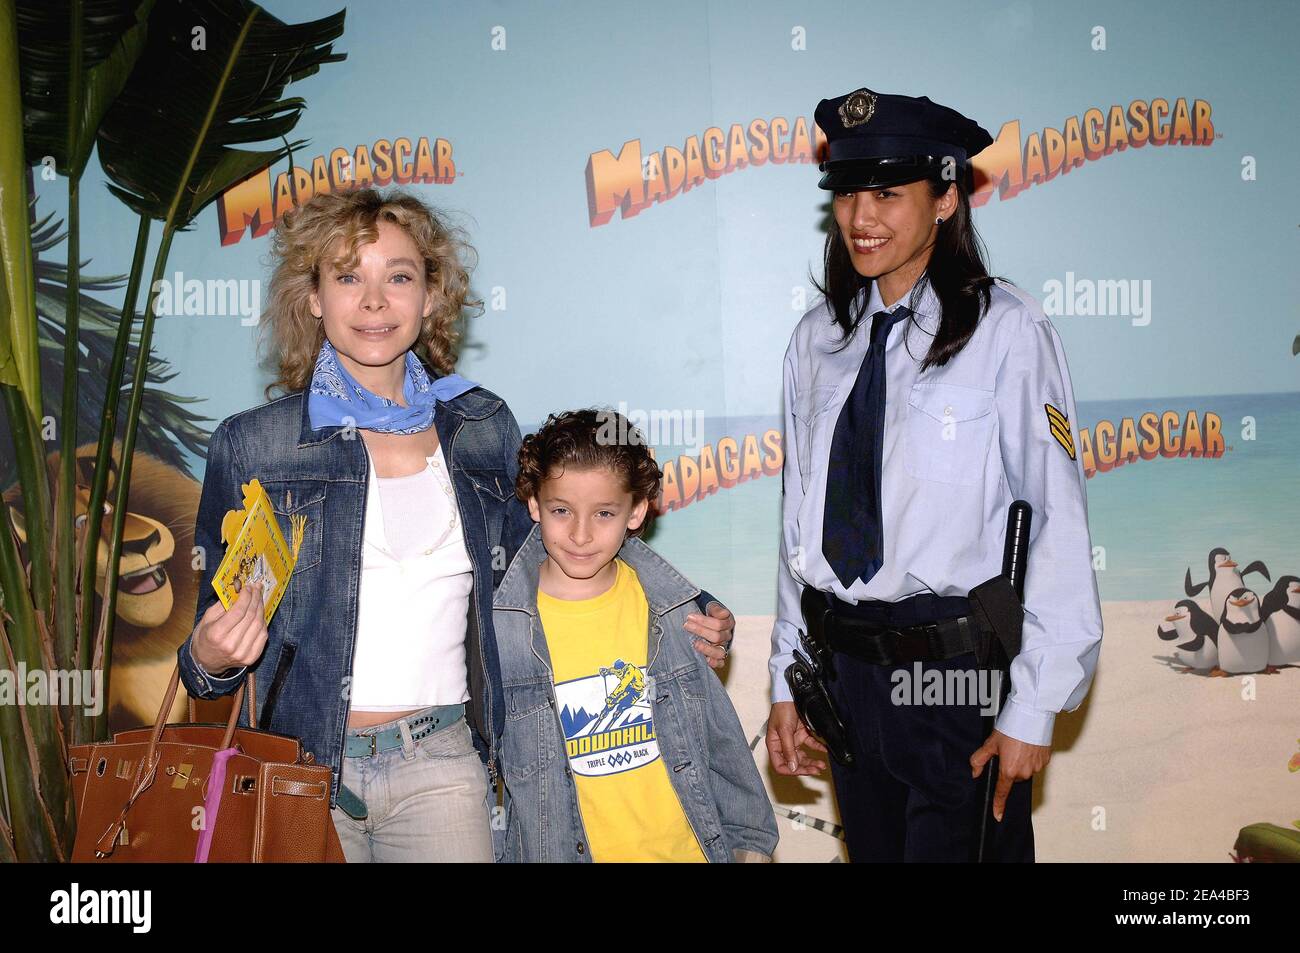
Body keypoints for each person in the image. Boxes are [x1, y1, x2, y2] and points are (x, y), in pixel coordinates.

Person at [177, 188, 736, 862]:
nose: (375, 301)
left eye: (400, 276)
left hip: (442, 766)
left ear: (432, 296)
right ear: (314, 296)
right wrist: (209, 656)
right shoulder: (254, 445)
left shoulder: (480, 426)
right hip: (299, 772)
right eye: (349, 276)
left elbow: (557, 543)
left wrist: (686, 605)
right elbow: (209, 652)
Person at [765, 88, 1103, 862]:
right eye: (848, 191)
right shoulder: (816, 342)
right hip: (846, 677)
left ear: (947, 196)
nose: (862, 216)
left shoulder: (1006, 330)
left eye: (888, 192)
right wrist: (788, 676)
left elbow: (1055, 520)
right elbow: (799, 524)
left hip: (954, 680)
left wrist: (1033, 705)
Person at [492, 410, 778, 862]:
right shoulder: (500, 630)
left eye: (604, 513)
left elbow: (720, 742)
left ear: (637, 510)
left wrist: (749, 844)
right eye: (561, 510)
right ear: (533, 505)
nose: (581, 535)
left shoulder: (677, 614)